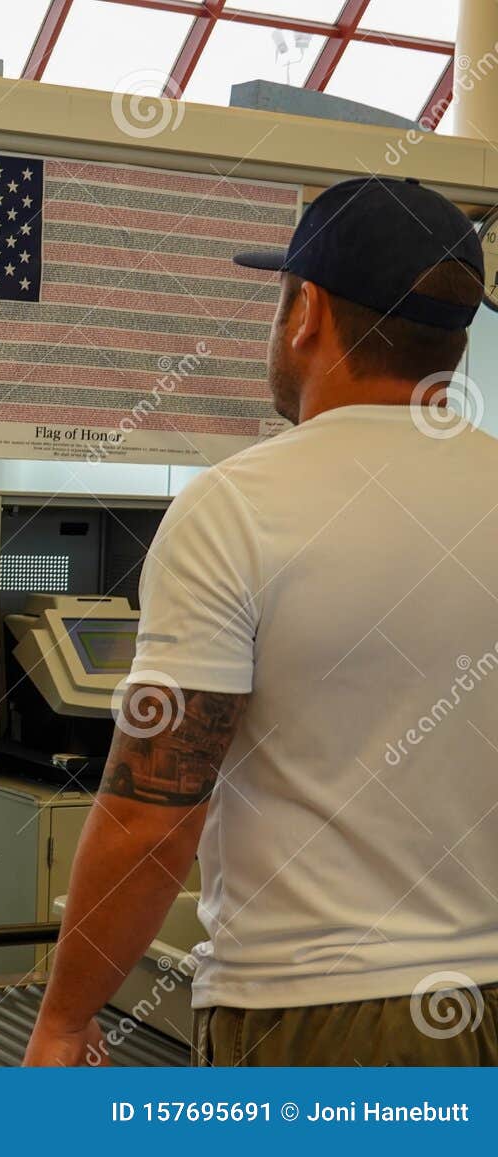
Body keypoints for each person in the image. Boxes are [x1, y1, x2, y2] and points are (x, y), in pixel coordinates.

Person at [25, 176, 498, 1066]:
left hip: (324, 1018)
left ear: (307, 312)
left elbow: (152, 816)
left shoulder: (237, 508)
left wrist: (64, 1018)